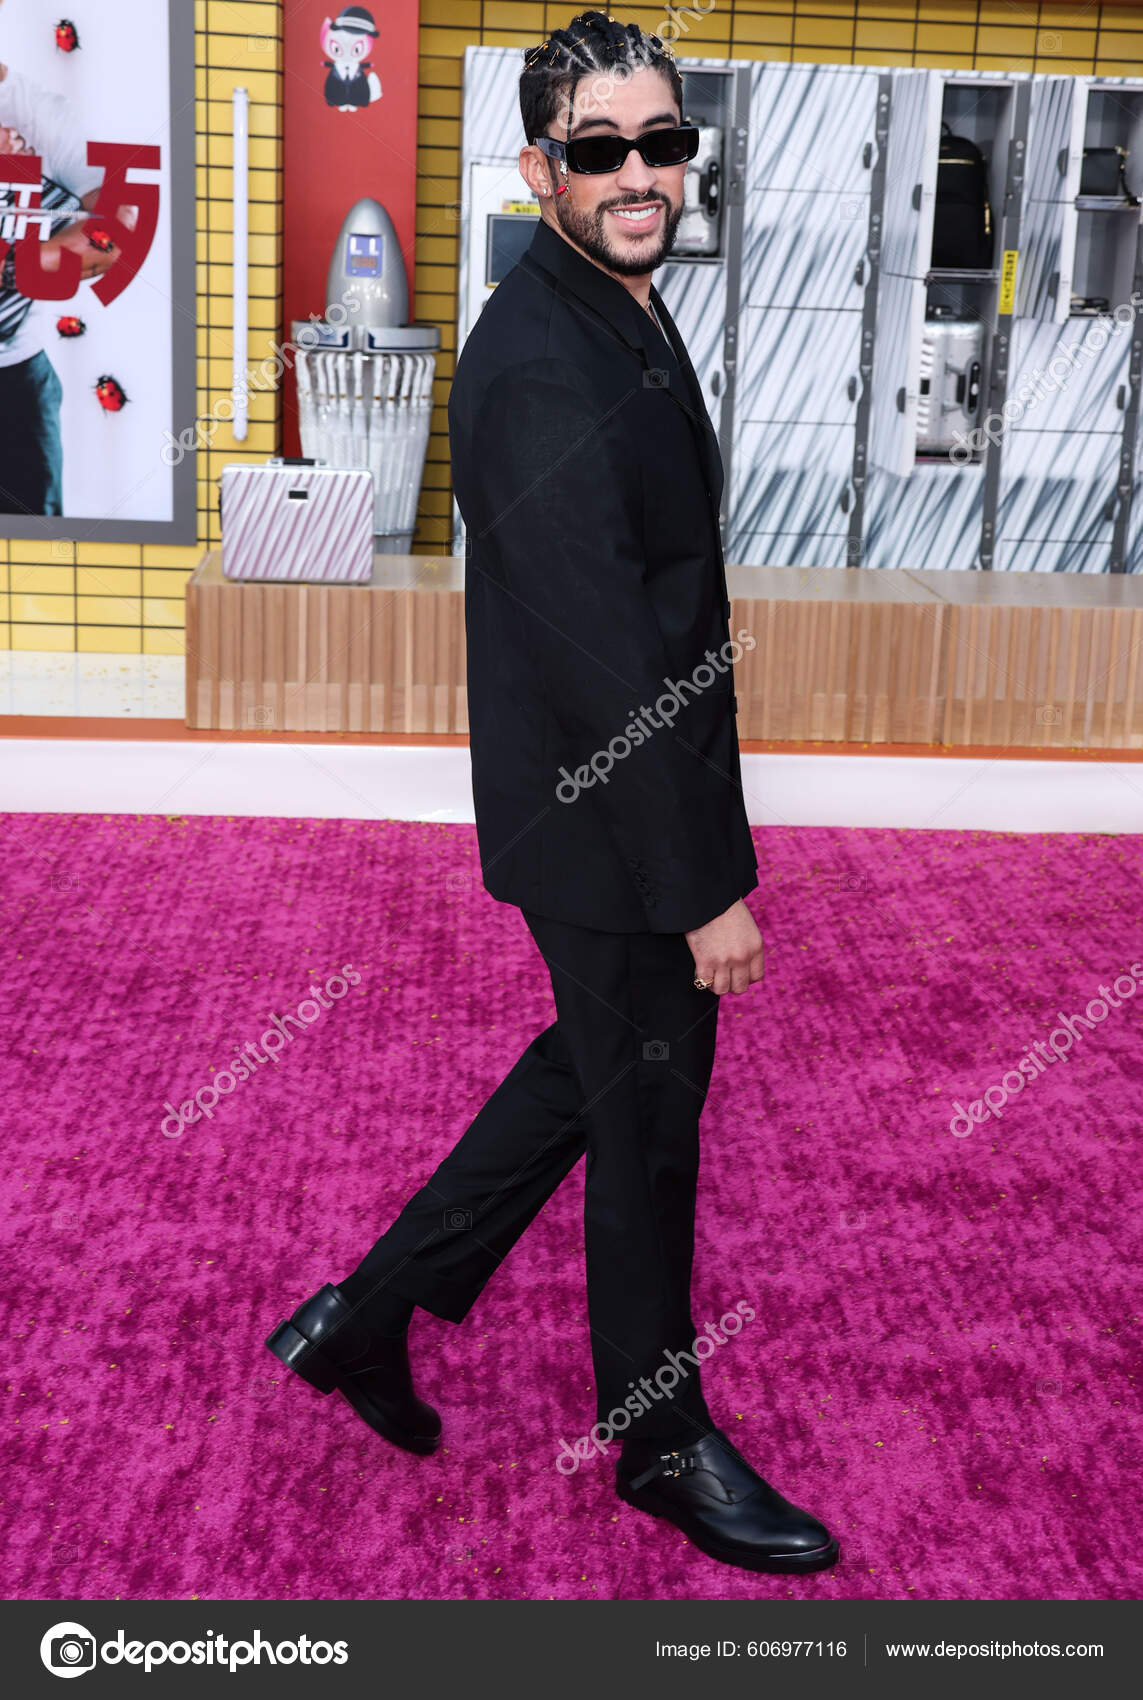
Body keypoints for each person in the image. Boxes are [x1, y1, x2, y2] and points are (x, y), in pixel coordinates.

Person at [268, 9, 839, 1578]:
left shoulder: (611, 306)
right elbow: (600, 655)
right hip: (604, 828)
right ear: (540, 169)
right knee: (647, 1121)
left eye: (663, 142)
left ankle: (356, 1322)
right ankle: (659, 1442)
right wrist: (703, 887)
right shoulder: (536, 354)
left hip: (608, 810)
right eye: (601, 151)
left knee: (582, 1086)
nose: (639, 172)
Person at [0, 53, 128, 515]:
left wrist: (11, 265)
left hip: (14, 377)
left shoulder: (41, 115)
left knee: (32, 541)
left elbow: (113, 237)